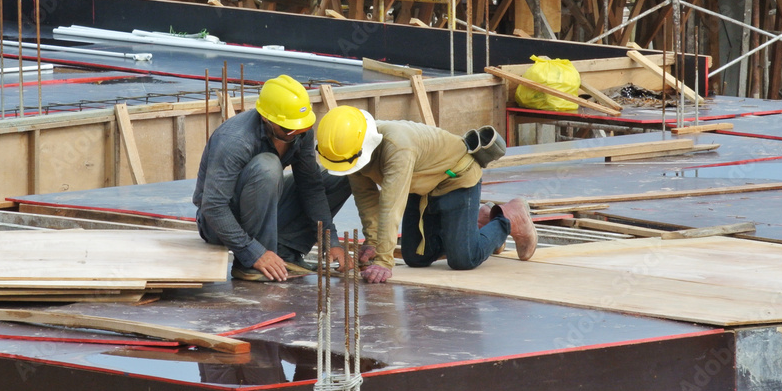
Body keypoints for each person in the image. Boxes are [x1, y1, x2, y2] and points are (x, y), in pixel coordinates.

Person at [314, 106, 537, 283]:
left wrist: (383, 260)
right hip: (420, 188)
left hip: (455, 178)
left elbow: (391, 205)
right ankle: (478, 221)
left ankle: (508, 216)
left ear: (363, 145)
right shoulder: (351, 152)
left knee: (464, 258)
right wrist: (373, 242)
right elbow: (366, 199)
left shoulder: (397, 146)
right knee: (415, 257)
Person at [194, 75, 351, 282]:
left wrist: (330, 239)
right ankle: (251, 264)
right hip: (218, 224)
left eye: (301, 127)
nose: (296, 133)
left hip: (262, 211)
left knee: (339, 176)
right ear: (266, 118)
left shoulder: (298, 132)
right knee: (267, 167)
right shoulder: (234, 140)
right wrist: (252, 252)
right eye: (289, 128)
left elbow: (310, 187)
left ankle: (283, 252)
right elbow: (213, 206)